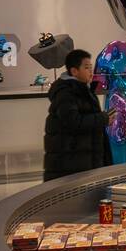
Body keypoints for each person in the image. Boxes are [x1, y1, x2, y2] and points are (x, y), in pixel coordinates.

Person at [43, 49, 111, 181]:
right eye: (86, 68)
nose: (91, 72)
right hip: (69, 166)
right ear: (74, 71)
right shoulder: (66, 93)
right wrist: (103, 118)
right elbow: (73, 122)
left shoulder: (83, 89)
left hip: (82, 163)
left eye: (91, 68)